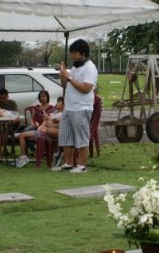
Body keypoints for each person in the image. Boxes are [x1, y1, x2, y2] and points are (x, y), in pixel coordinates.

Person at [53, 39, 98, 173]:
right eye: (72, 53)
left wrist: (69, 77)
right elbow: (65, 85)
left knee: (81, 137)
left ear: (83, 53)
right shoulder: (75, 67)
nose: (73, 55)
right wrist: (63, 74)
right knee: (66, 137)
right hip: (69, 108)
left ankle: (82, 166)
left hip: (81, 108)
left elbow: (86, 88)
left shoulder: (89, 67)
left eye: (75, 53)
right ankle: (68, 163)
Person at [16, 96, 63, 167]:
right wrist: (46, 118)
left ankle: (24, 157)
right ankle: (24, 156)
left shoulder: (62, 114)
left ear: (64, 105)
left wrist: (48, 118)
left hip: (44, 133)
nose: (56, 104)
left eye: (59, 102)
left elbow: (56, 123)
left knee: (22, 135)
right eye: (57, 101)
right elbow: (47, 121)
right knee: (22, 135)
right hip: (41, 130)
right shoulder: (55, 112)